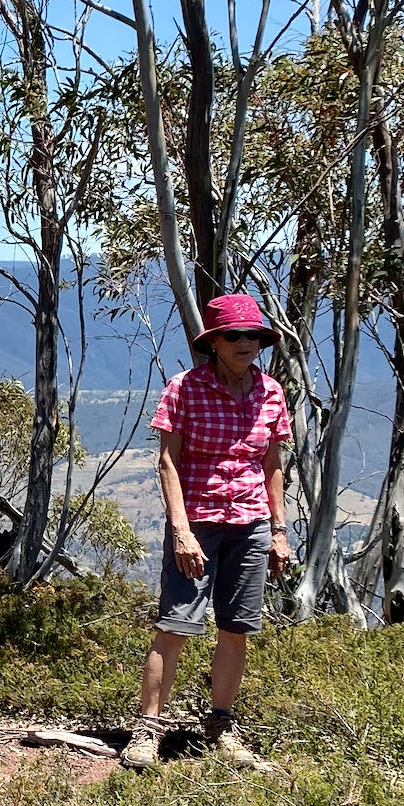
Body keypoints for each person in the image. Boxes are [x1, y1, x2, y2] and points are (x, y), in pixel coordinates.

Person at [121, 291, 292, 773]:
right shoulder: (185, 388)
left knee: (236, 629)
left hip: (251, 522)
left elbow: (273, 465)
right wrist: (181, 530)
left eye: (253, 335)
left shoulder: (271, 391)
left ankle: (221, 726)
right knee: (174, 625)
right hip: (197, 520)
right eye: (234, 335)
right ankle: (147, 730)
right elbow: (168, 461)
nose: (245, 343)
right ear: (214, 341)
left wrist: (279, 531)